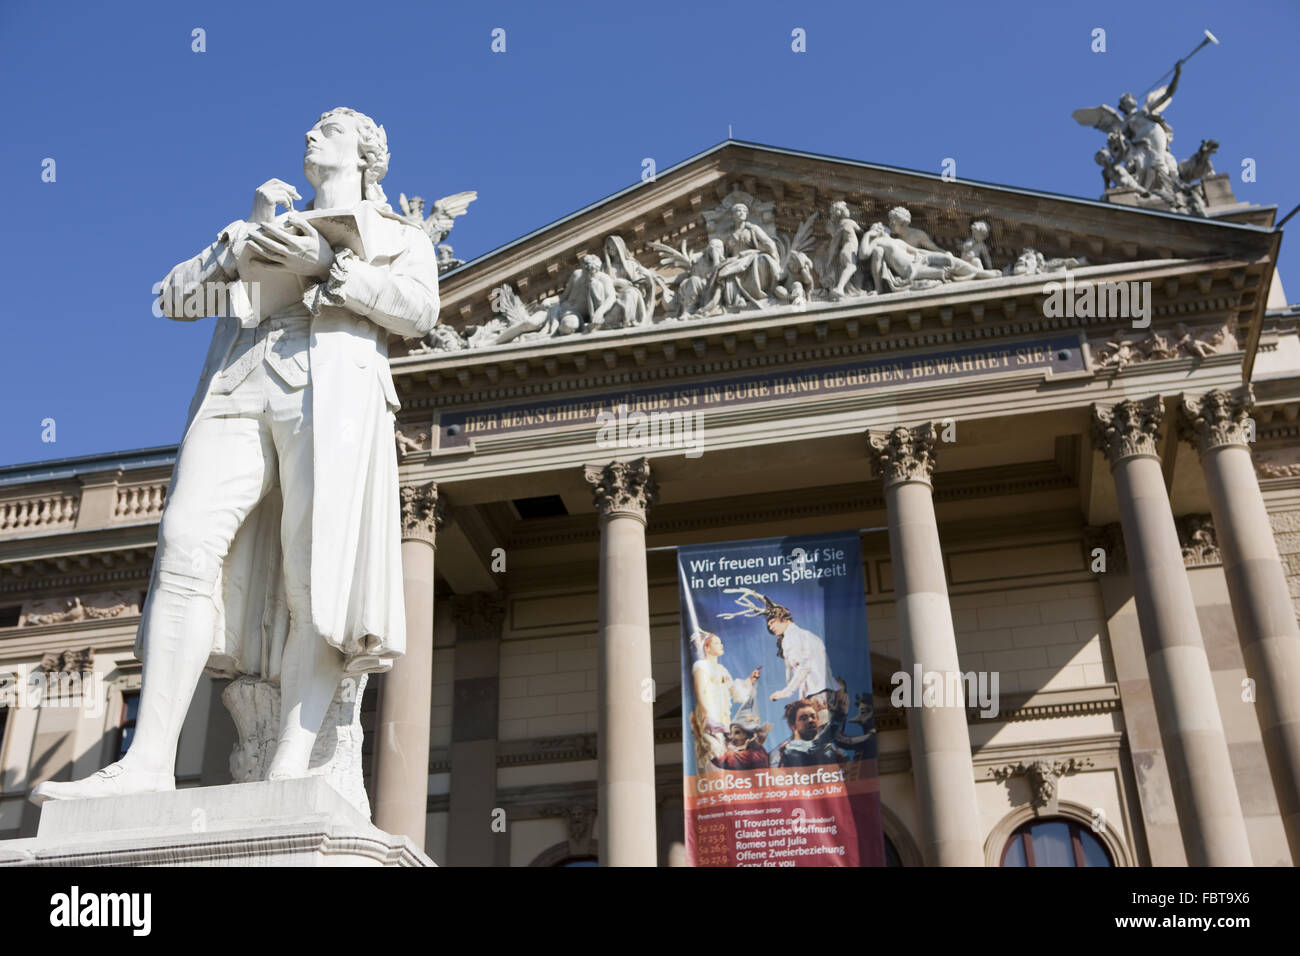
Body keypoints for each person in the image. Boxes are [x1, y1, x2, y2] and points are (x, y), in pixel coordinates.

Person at [31, 107, 440, 805]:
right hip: (240, 381)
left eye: (329, 128)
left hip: (331, 388)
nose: (311, 134)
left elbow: (420, 311)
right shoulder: (260, 223)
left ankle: (293, 763)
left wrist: (329, 267)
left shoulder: (398, 234)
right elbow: (174, 299)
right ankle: (147, 762)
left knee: (317, 567)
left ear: (366, 153)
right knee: (185, 544)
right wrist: (239, 242)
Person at [771, 693, 848, 768]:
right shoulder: (789, 748)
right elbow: (813, 748)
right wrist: (837, 718)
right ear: (793, 725)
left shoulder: (830, 748)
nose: (810, 720)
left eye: (813, 717)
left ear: (818, 721)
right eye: (803, 718)